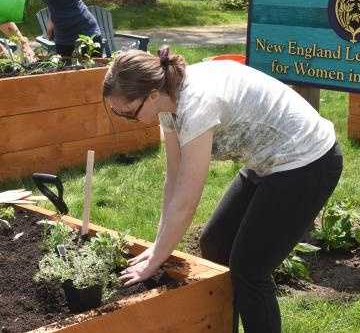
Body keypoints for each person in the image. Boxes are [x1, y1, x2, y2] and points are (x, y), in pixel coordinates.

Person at [102, 48, 343, 333]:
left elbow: (187, 201)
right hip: (266, 160)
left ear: (151, 95)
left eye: (129, 114)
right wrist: (158, 245)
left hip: (308, 160)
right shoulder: (167, 101)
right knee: (216, 245)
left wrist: (156, 260)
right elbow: (174, 178)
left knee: (250, 269)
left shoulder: (196, 105)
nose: (127, 120)